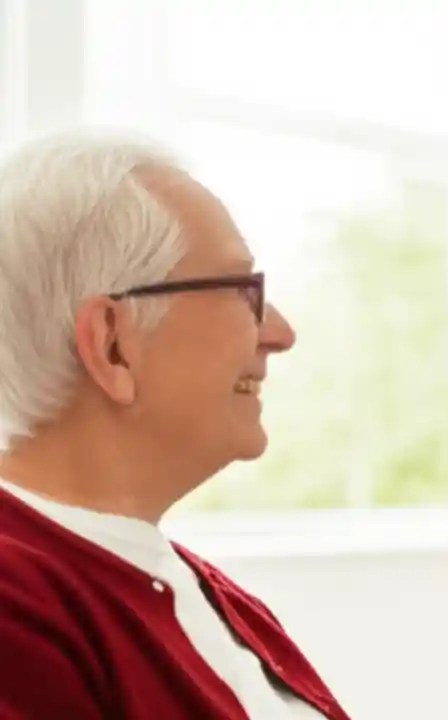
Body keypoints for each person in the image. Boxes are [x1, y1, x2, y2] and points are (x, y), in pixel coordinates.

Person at [0, 132, 349, 719]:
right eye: (242, 291)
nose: (281, 332)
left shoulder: (198, 589)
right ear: (112, 344)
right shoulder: (15, 607)